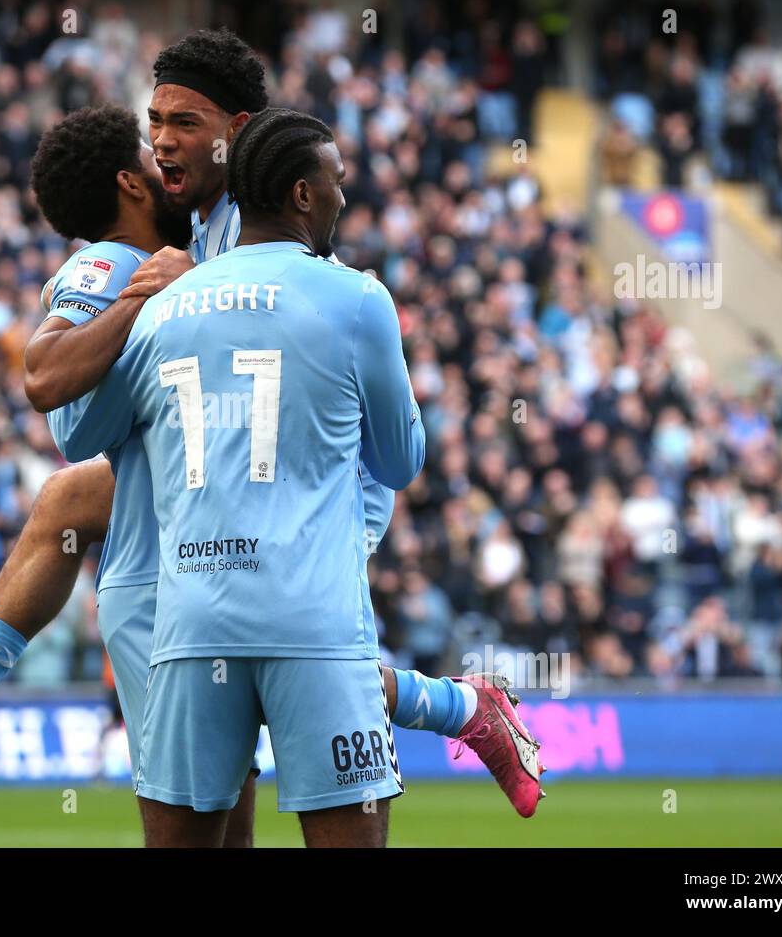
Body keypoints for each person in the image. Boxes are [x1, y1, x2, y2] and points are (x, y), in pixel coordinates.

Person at [0, 31, 544, 833]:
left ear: (235, 133)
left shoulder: (257, 220)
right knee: (103, 521)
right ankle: (464, 708)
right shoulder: (190, 237)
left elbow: (285, 316)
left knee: (108, 526)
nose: (163, 142)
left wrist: (168, 292)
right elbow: (71, 409)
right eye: (154, 122)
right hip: (214, 510)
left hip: (302, 480)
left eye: (180, 122)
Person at [49, 108, 540, 846]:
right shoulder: (355, 297)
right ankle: (458, 707)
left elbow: (79, 433)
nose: (344, 195)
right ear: (305, 196)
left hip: (192, 623)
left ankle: (458, 707)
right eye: (337, 181)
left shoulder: (158, 305)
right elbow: (401, 462)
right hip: (315, 617)